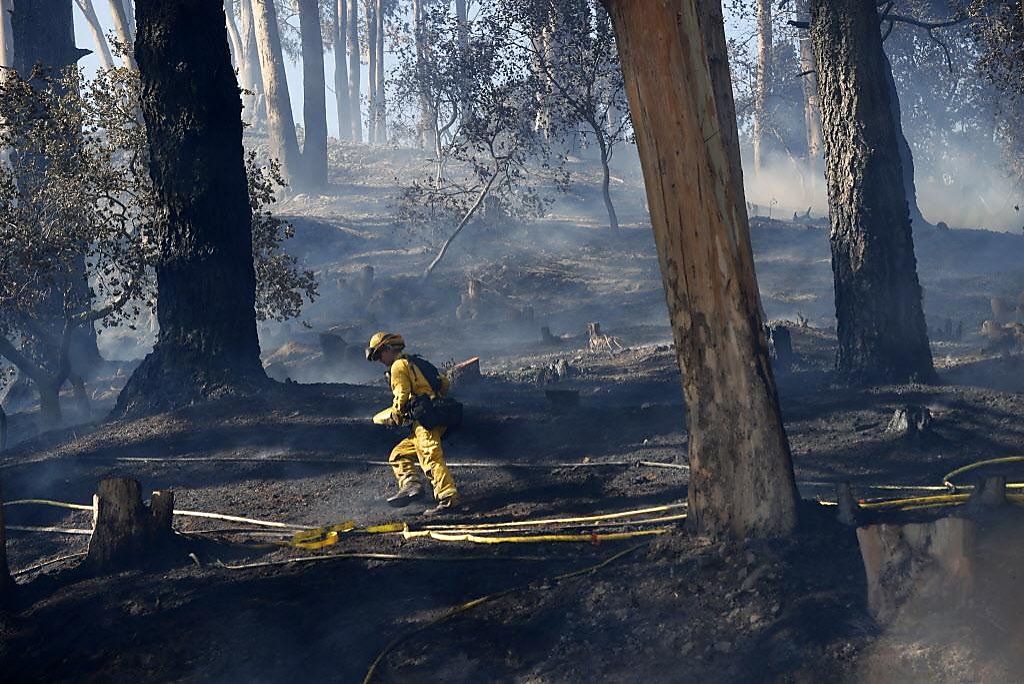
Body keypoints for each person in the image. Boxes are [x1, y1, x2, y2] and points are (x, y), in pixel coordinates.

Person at [366, 331, 460, 516]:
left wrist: (396, 414)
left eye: (379, 355)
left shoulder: (398, 367)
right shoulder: (414, 361)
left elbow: (401, 395)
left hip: (425, 420)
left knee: (430, 456)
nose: (379, 360)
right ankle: (411, 485)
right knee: (399, 455)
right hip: (430, 416)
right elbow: (444, 383)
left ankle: (448, 499)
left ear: (388, 349)